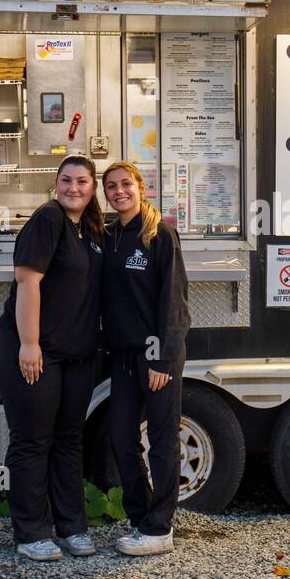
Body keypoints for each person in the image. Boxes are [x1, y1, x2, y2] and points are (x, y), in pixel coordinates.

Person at [0, 155, 104, 561]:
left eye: (82, 181)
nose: (74, 188)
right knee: (32, 441)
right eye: (66, 180)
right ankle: (32, 533)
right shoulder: (48, 219)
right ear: (55, 184)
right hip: (34, 353)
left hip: (76, 357)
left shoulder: (90, 229)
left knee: (69, 440)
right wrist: (29, 343)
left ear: (92, 188)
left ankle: (72, 527)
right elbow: (27, 281)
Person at [100, 161, 191, 556]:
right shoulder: (108, 236)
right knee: (121, 438)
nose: (119, 191)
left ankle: (160, 528)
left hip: (157, 356)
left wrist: (162, 360)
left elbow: (174, 303)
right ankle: (140, 519)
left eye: (125, 184)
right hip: (122, 357)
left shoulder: (160, 235)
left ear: (141, 187)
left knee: (161, 440)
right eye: (111, 186)